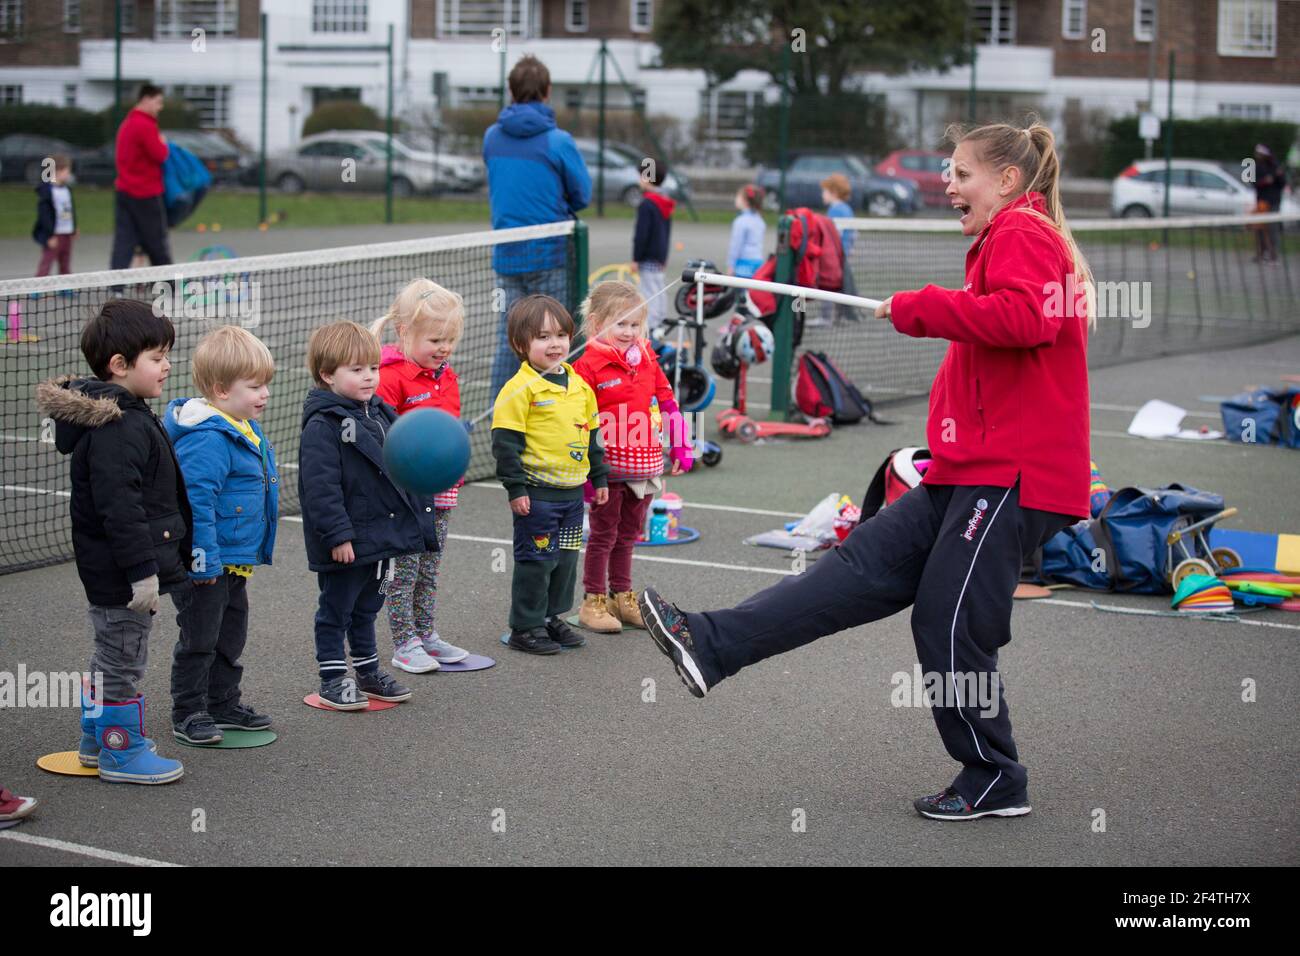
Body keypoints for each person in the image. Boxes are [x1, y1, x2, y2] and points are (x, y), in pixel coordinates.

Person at [639, 120, 1093, 822]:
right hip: (964, 471)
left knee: (949, 623)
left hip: (1012, 477)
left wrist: (921, 307)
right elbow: (998, 331)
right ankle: (713, 643)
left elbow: (1026, 318)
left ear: (1008, 180)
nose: (948, 183)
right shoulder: (998, 239)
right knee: (851, 571)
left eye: (961, 173)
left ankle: (995, 774)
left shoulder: (1024, 232)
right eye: (947, 171)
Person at [35, 299, 191, 784]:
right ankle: (120, 754)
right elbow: (120, 510)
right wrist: (142, 572)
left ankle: (93, 741)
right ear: (119, 366)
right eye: (156, 356)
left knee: (112, 653)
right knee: (123, 659)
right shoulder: (117, 428)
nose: (167, 365)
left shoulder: (129, 414)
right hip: (123, 572)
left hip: (121, 569)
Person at [299, 322, 440, 710]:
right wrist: (338, 536)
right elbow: (320, 490)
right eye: (356, 369)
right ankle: (332, 677)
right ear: (328, 375)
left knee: (368, 609)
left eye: (373, 368)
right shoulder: (321, 426)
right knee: (336, 611)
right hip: (347, 544)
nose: (369, 377)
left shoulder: (380, 414)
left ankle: (367, 670)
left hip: (384, 541)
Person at [162, 326, 278, 745]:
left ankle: (222, 700)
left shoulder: (244, 425)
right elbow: (198, 503)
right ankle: (188, 710)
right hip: (206, 561)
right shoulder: (208, 438)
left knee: (231, 630)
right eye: (254, 386)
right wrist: (203, 558)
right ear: (220, 389)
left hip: (233, 559)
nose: (264, 393)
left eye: (266, 383)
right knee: (200, 636)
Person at [492, 294, 608, 655]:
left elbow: (591, 436)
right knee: (536, 561)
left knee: (565, 562)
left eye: (561, 334)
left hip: (572, 496)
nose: (555, 343)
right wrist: (516, 488)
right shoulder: (518, 390)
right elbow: (505, 444)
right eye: (543, 337)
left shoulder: (580, 386)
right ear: (520, 344)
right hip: (538, 496)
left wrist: (600, 478)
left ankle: (550, 617)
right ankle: (525, 626)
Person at [572, 282, 692, 633]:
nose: (628, 332)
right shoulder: (586, 365)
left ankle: (621, 595)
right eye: (619, 324)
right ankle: (593, 600)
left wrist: (681, 444)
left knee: (629, 535)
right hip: (607, 469)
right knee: (602, 535)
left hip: (644, 465)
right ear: (597, 324)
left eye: (634, 324)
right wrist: (588, 475)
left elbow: (667, 402)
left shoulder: (648, 356)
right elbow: (579, 423)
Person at [372, 280, 471, 674]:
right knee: (405, 570)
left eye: (449, 338)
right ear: (404, 332)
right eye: (434, 339)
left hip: (442, 490)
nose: (443, 347)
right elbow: (384, 436)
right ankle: (404, 641)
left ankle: (426, 632)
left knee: (431, 566)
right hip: (405, 494)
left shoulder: (447, 375)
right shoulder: (390, 376)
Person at [483, 55, 592, 401]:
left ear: (511, 92)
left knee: (512, 339)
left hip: (507, 254)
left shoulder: (492, 138)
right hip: (552, 254)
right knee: (556, 339)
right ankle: (557, 410)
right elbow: (582, 194)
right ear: (547, 92)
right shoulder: (559, 141)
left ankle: (501, 412)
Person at [111, 84, 172, 270]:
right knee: (156, 242)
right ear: (146, 99)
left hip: (124, 191)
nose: (160, 107)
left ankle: (117, 287)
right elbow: (160, 155)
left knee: (124, 241)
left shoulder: (127, 123)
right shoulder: (145, 125)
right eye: (158, 102)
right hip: (145, 193)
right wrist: (163, 143)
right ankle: (168, 284)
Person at [629, 159, 676, 332]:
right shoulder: (664, 202)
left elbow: (641, 235)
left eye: (641, 176)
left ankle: (653, 325)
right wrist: (664, 256)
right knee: (658, 287)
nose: (638, 179)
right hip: (659, 255)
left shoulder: (647, 204)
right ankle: (661, 319)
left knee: (649, 291)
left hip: (648, 256)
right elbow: (667, 232)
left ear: (647, 178)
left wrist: (636, 258)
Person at [807, 172, 856, 327]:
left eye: (825, 191)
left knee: (828, 284)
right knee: (840, 284)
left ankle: (826, 317)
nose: (823, 194)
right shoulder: (847, 209)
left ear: (833, 193)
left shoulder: (836, 211)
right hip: (843, 255)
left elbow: (832, 235)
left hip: (835, 257)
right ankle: (839, 316)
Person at [33, 154, 77, 277]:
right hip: (54, 235)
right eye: (67, 171)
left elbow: (70, 210)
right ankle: (37, 286)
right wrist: (49, 235)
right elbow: (44, 216)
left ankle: (64, 285)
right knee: (47, 261)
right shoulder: (48, 193)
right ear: (57, 171)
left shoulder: (67, 190)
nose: (69, 174)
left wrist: (73, 228)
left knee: (65, 261)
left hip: (66, 233)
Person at [1252, 143, 1286, 264]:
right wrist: (1265, 181)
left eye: (1260, 154)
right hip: (1261, 202)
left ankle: (1274, 255)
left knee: (1272, 229)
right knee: (1260, 229)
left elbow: (1282, 184)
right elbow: (1255, 184)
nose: (1257, 156)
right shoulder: (1256, 167)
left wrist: (1279, 176)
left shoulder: (1275, 166)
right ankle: (1262, 253)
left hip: (1274, 202)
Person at [727, 185, 766, 277]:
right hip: (758, 263)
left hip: (743, 264)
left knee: (740, 290)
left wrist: (731, 265)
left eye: (738, 196)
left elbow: (736, 245)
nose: (736, 199)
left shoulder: (740, 221)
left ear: (745, 201)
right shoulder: (760, 220)